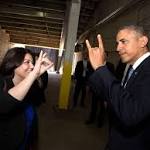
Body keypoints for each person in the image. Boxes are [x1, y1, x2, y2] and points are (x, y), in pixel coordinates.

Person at [86, 25, 150, 150]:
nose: (117, 48)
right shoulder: (132, 67)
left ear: (143, 41)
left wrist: (101, 69)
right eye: (117, 43)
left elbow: (131, 114)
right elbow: (116, 97)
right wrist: (100, 67)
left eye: (123, 42)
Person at [0, 47, 53, 150]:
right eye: (27, 62)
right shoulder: (2, 82)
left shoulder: (30, 86)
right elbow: (5, 104)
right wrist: (33, 75)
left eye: (32, 62)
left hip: (24, 141)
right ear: (14, 63)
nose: (32, 66)